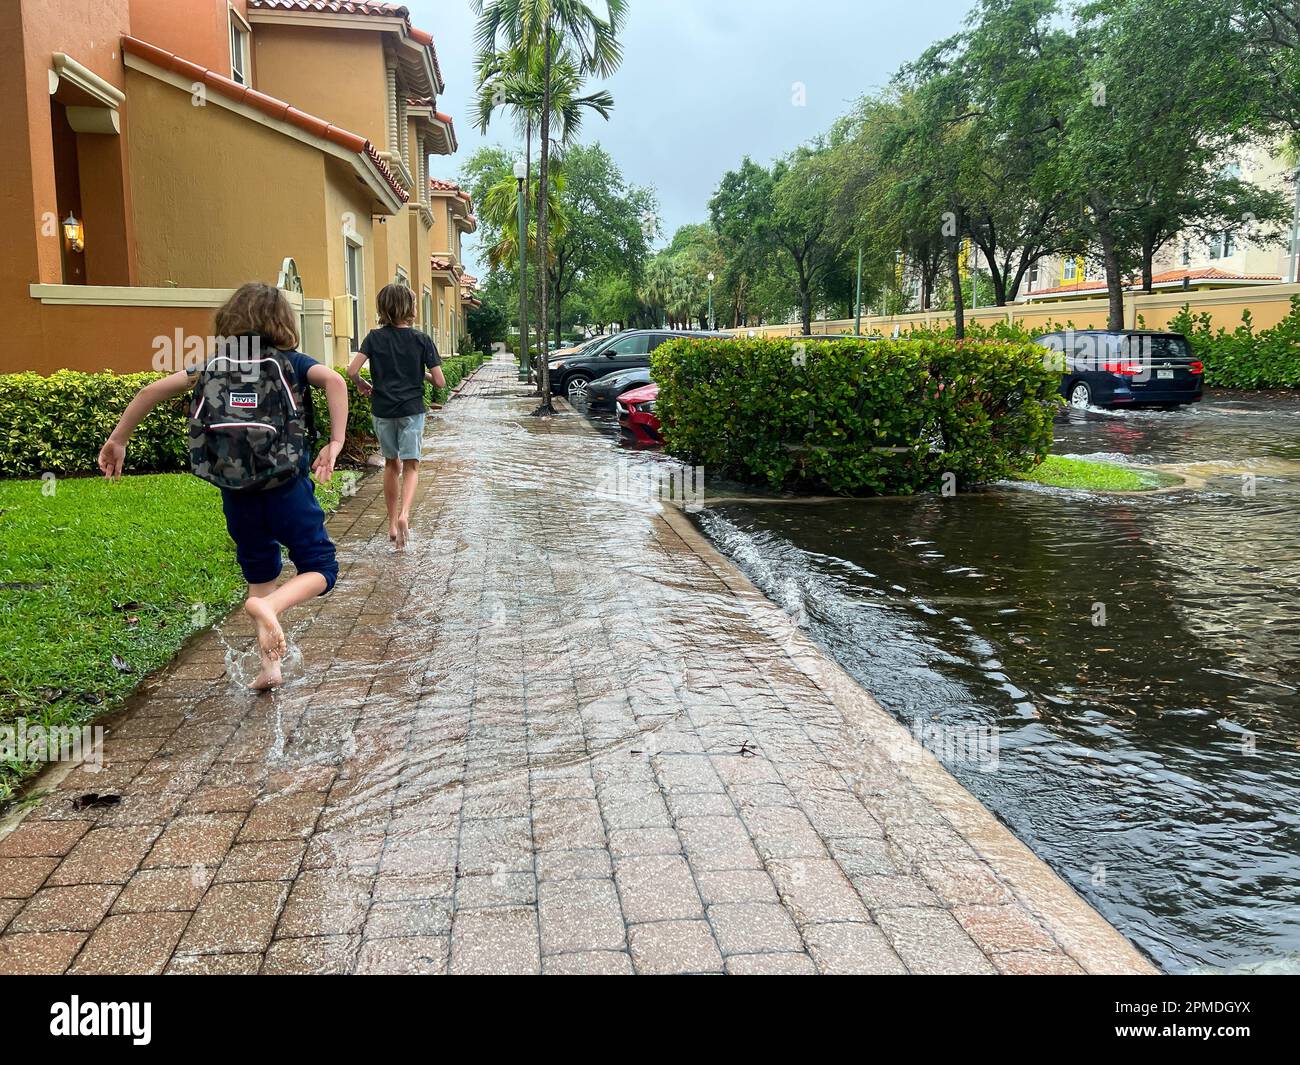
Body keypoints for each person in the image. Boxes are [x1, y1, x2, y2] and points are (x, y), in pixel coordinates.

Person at [97, 282, 348, 690]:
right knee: (321, 567)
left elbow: (151, 391)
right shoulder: (292, 362)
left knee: (260, 572)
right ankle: (271, 606)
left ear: (231, 320)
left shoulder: (213, 364)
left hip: (237, 496)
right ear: (282, 321)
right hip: (288, 493)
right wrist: (335, 442)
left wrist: (118, 439)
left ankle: (270, 667)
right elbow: (335, 382)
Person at [347, 284, 444, 548]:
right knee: (412, 465)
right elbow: (439, 382)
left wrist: (360, 384)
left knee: (391, 464)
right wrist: (419, 372)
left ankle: (391, 525)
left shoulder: (373, 338)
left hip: (383, 410)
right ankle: (405, 515)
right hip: (411, 410)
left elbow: (352, 369)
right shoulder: (421, 340)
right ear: (409, 308)